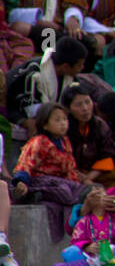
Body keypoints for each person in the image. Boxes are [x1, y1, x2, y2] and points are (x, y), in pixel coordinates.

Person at [13, 101, 90, 239]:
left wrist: (80, 181)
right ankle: (35, 193)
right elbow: (26, 162)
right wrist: (22, 181)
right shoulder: (39, 141)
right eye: (57, 120)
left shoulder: (65, 141)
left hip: (61, 182)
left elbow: (70, 168)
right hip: (41, 180)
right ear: (45, 124)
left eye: (65, 119)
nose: (63, 123)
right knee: (65, 191)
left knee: (80, 190)